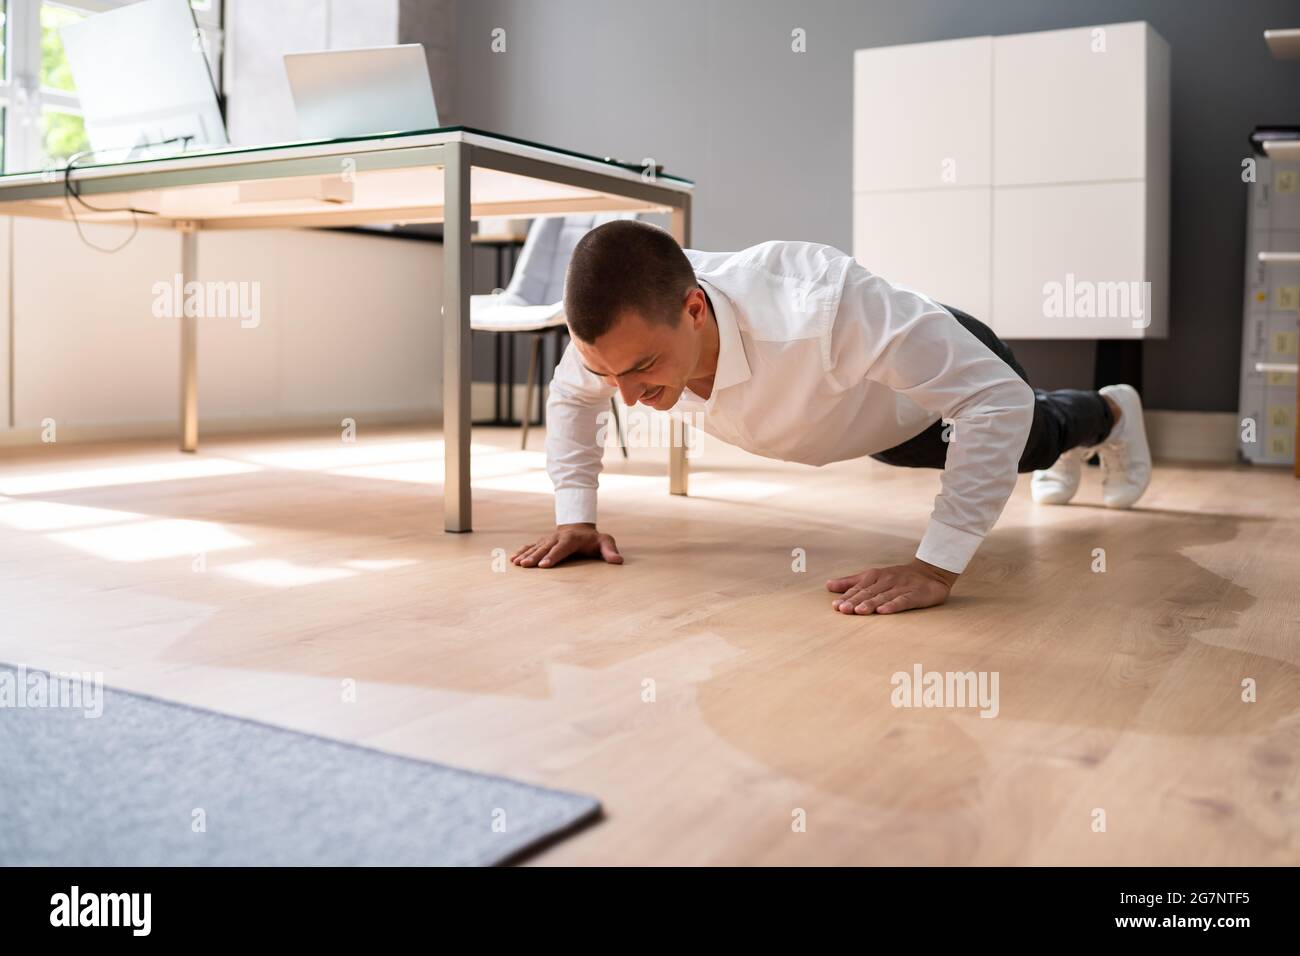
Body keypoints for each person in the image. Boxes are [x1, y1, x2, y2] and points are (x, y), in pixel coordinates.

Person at [510, 220, 1151, 615]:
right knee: (909, 448)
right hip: (872, 429)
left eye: (641, 368)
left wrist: (936, 566)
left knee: (1030, 437)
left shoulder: (820, 306)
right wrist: (577, 517)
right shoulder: (614, 337)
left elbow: (993, 401)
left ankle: (1113, 410)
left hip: (934, 385)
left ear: (695, 308)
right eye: (606, 373)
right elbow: (571, 398)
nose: (624, 396)